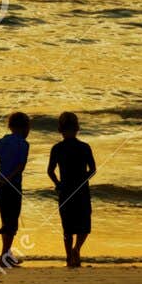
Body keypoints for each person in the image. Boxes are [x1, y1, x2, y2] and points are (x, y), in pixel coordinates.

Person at [48, 110, 97, 267]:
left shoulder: (57, 148)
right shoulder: (84, 147)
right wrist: (83, 179)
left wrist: (58, 183)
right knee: (84, 224)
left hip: (65, 189)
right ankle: (77, 249)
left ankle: (69, 256)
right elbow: (93, 169)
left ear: (60, 130)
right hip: (82, 190)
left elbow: (50, 171)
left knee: (67, 227)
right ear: (77, 128)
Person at [0, 110, 31, 266]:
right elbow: (20, 167)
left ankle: (7, 254)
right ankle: (5, 257)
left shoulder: (1, 141)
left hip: (1, 187)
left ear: (10, 127)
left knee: (6, 219)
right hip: (14, 186)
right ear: (24, 128)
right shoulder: (23, 144)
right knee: (12, 221)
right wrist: (8, 180)